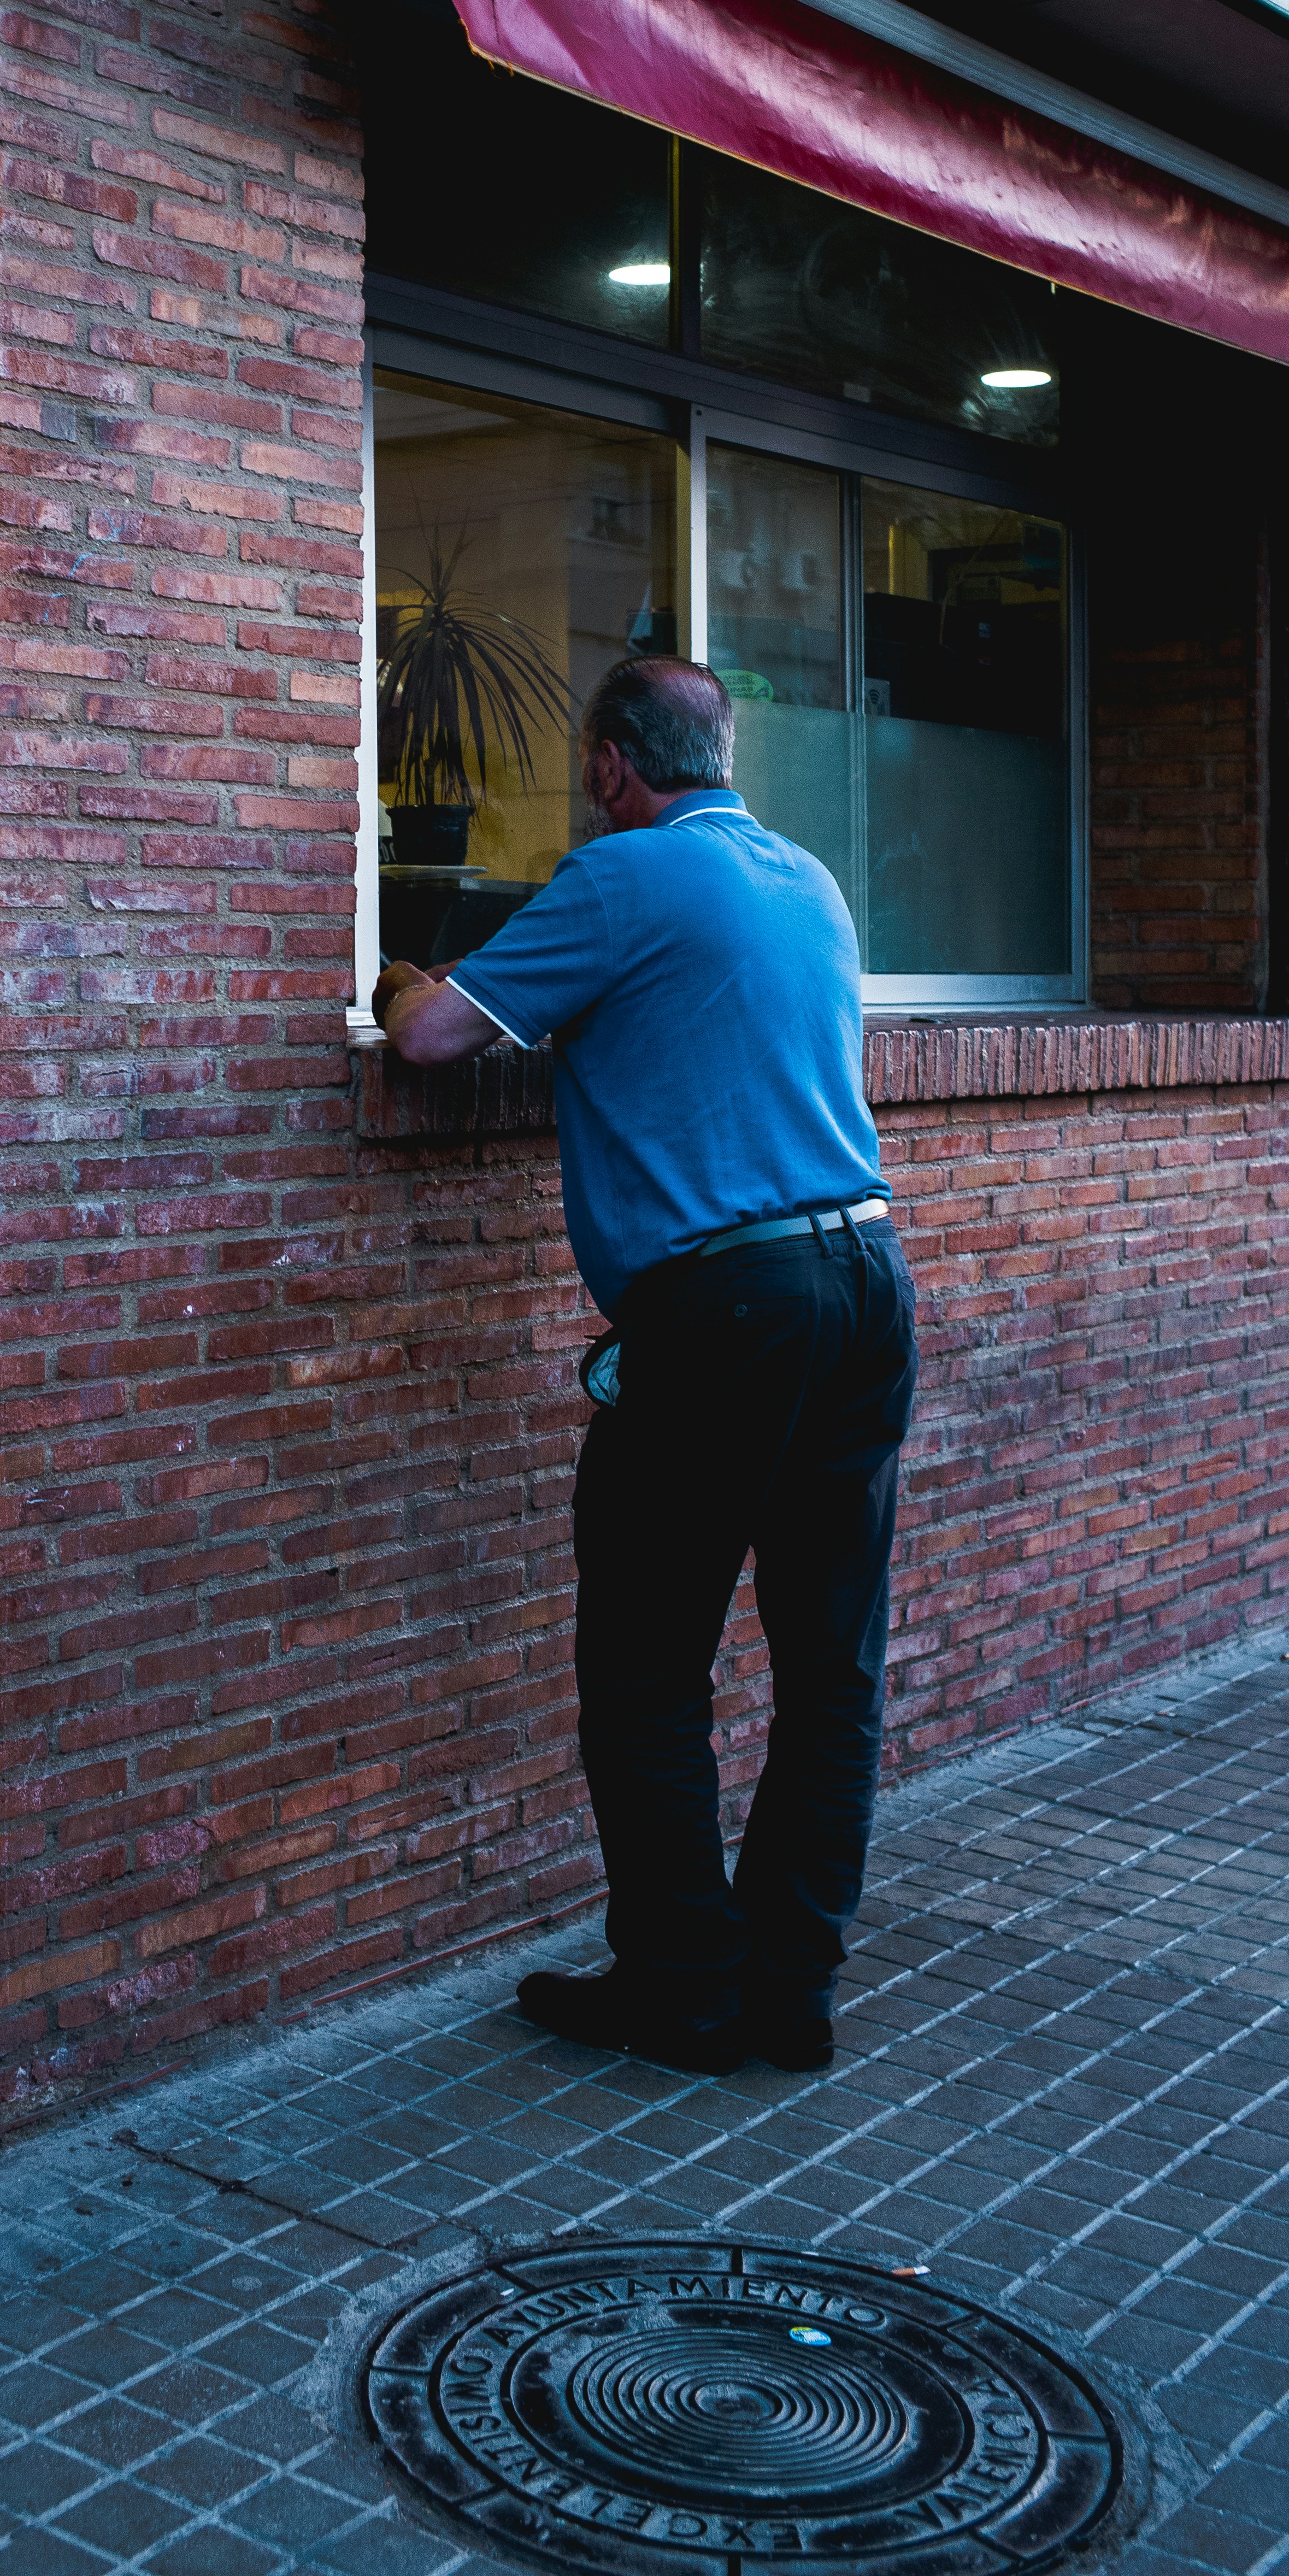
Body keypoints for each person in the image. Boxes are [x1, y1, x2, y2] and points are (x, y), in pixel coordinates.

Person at [373, 655, 917, 2079]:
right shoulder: (809, 880)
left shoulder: (626, 878)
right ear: (721, 752)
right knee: (831, 1667)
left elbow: (431, 1037)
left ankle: (682, 1990)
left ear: (616, 764)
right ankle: (789, 1998)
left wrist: (391, 967)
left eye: (591, 766)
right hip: (868, 1280)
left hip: (731, 1304)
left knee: (647, 1669)